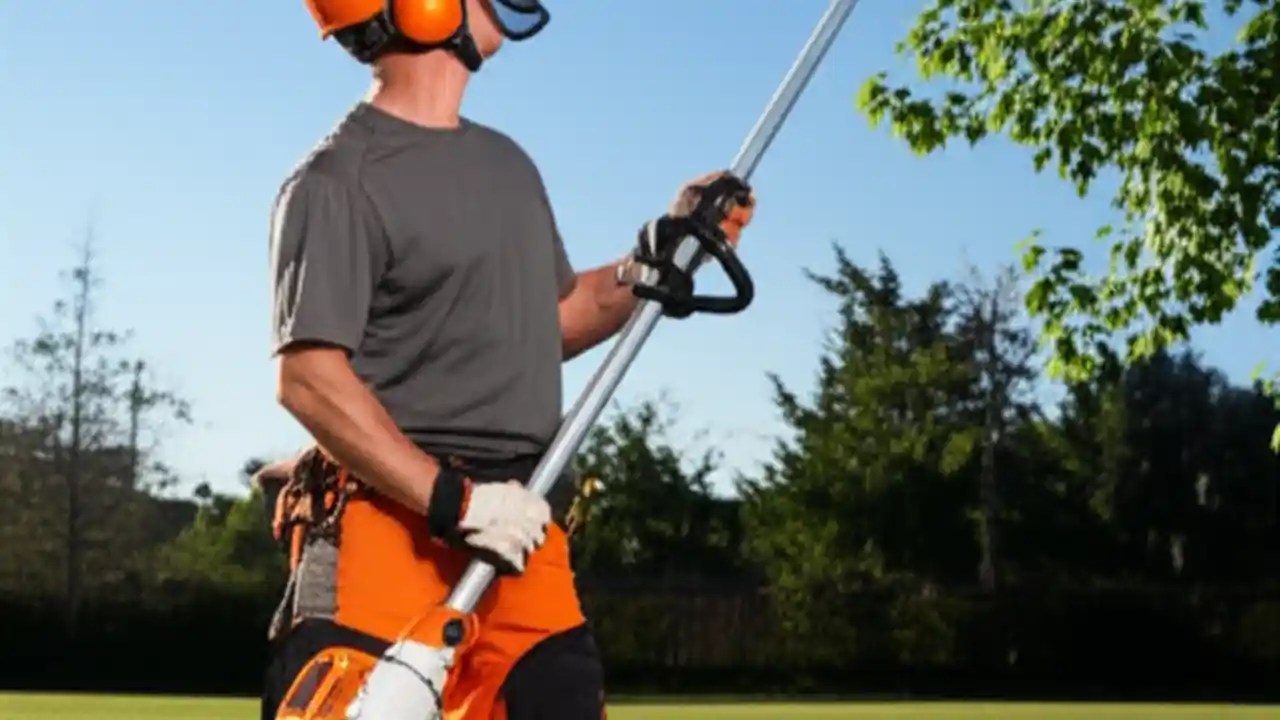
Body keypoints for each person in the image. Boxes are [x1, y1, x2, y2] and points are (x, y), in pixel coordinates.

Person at [259, 1, 757, 718]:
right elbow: (307, 376)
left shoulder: (507, 166)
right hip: (388, 523)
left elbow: (551, 321)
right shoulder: (335, 179)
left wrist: (656, 259)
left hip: (521, 522)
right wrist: (453, 503)